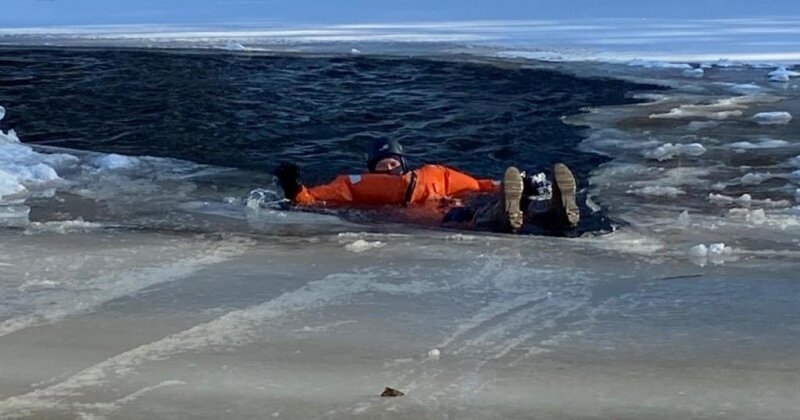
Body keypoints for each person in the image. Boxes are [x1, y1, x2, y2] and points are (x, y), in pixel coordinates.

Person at [274, 139, 579, 233]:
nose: (389, 168)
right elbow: (310, 199)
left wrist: (517, 183)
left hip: (452, 206)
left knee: (482, 207)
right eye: (382, 165)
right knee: (466, 219)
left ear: (404, 163)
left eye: (393, 162)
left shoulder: (435, 175)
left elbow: (478, 183)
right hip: (433, 220)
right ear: (371, 169)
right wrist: (292, 187)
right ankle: (515, 212)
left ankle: (552, 211)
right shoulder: (354, 186)